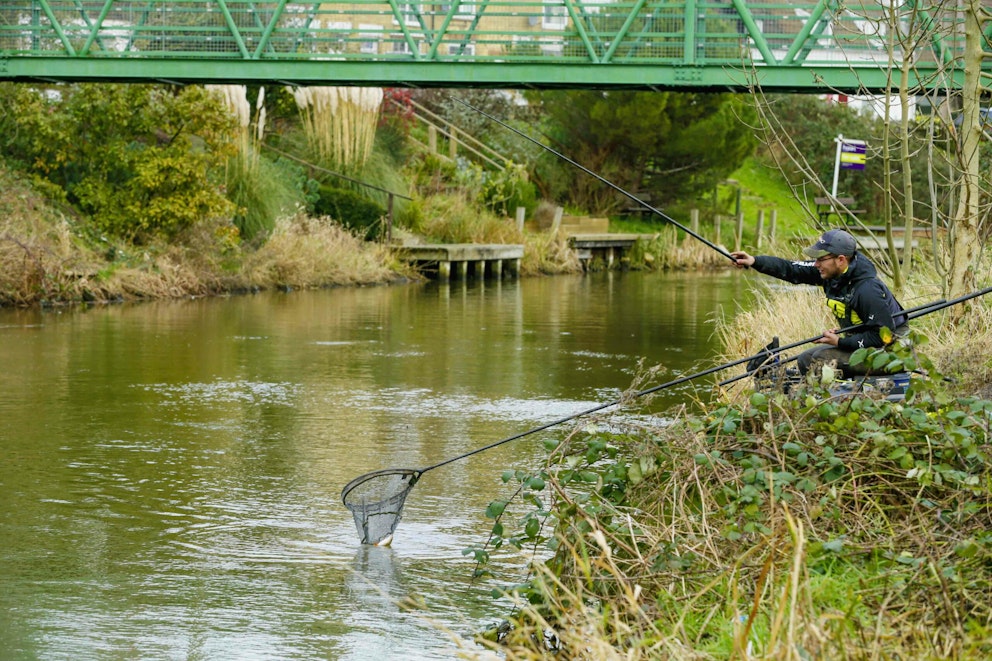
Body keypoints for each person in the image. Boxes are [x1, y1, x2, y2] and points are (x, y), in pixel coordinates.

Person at [730, 229, 908, 377]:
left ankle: (841, 397)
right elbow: (792, 269)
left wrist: (840, 342)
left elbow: (882, 337)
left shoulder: (867, 289)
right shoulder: (833, 273)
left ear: (841, 260)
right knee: (805, 359)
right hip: (864, 345)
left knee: (818, 361)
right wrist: (754, 261)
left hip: (890, 353)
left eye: (821, 259)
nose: (815, 264)